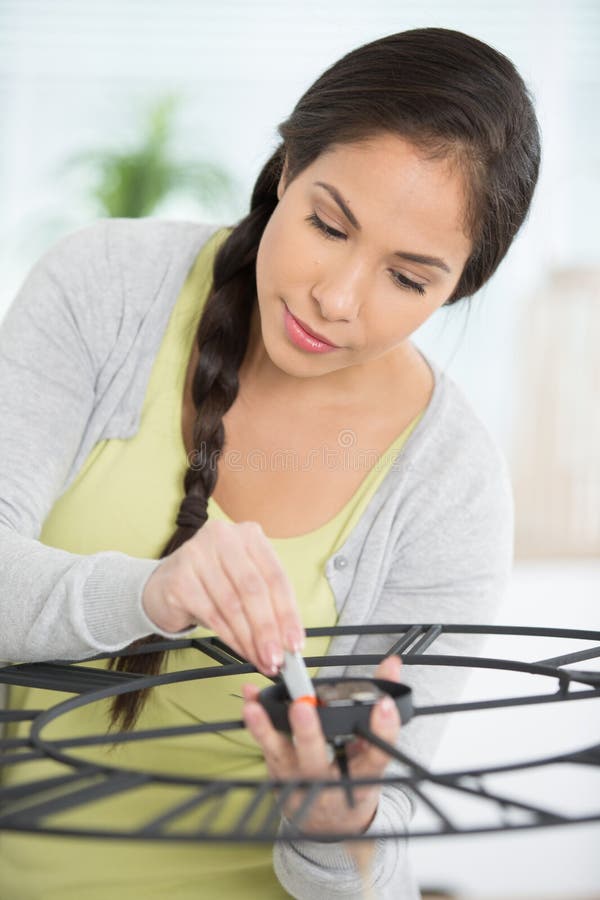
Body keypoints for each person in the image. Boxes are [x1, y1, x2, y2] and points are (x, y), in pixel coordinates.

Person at [0, 25, 540, 900]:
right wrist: (148, 594)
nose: (337, 299)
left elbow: (378, 860)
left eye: (408, 280)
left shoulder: (452, 486)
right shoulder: (103, 287)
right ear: (286, 168)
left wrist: (343, 820)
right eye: (329, 224)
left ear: (458, 287)